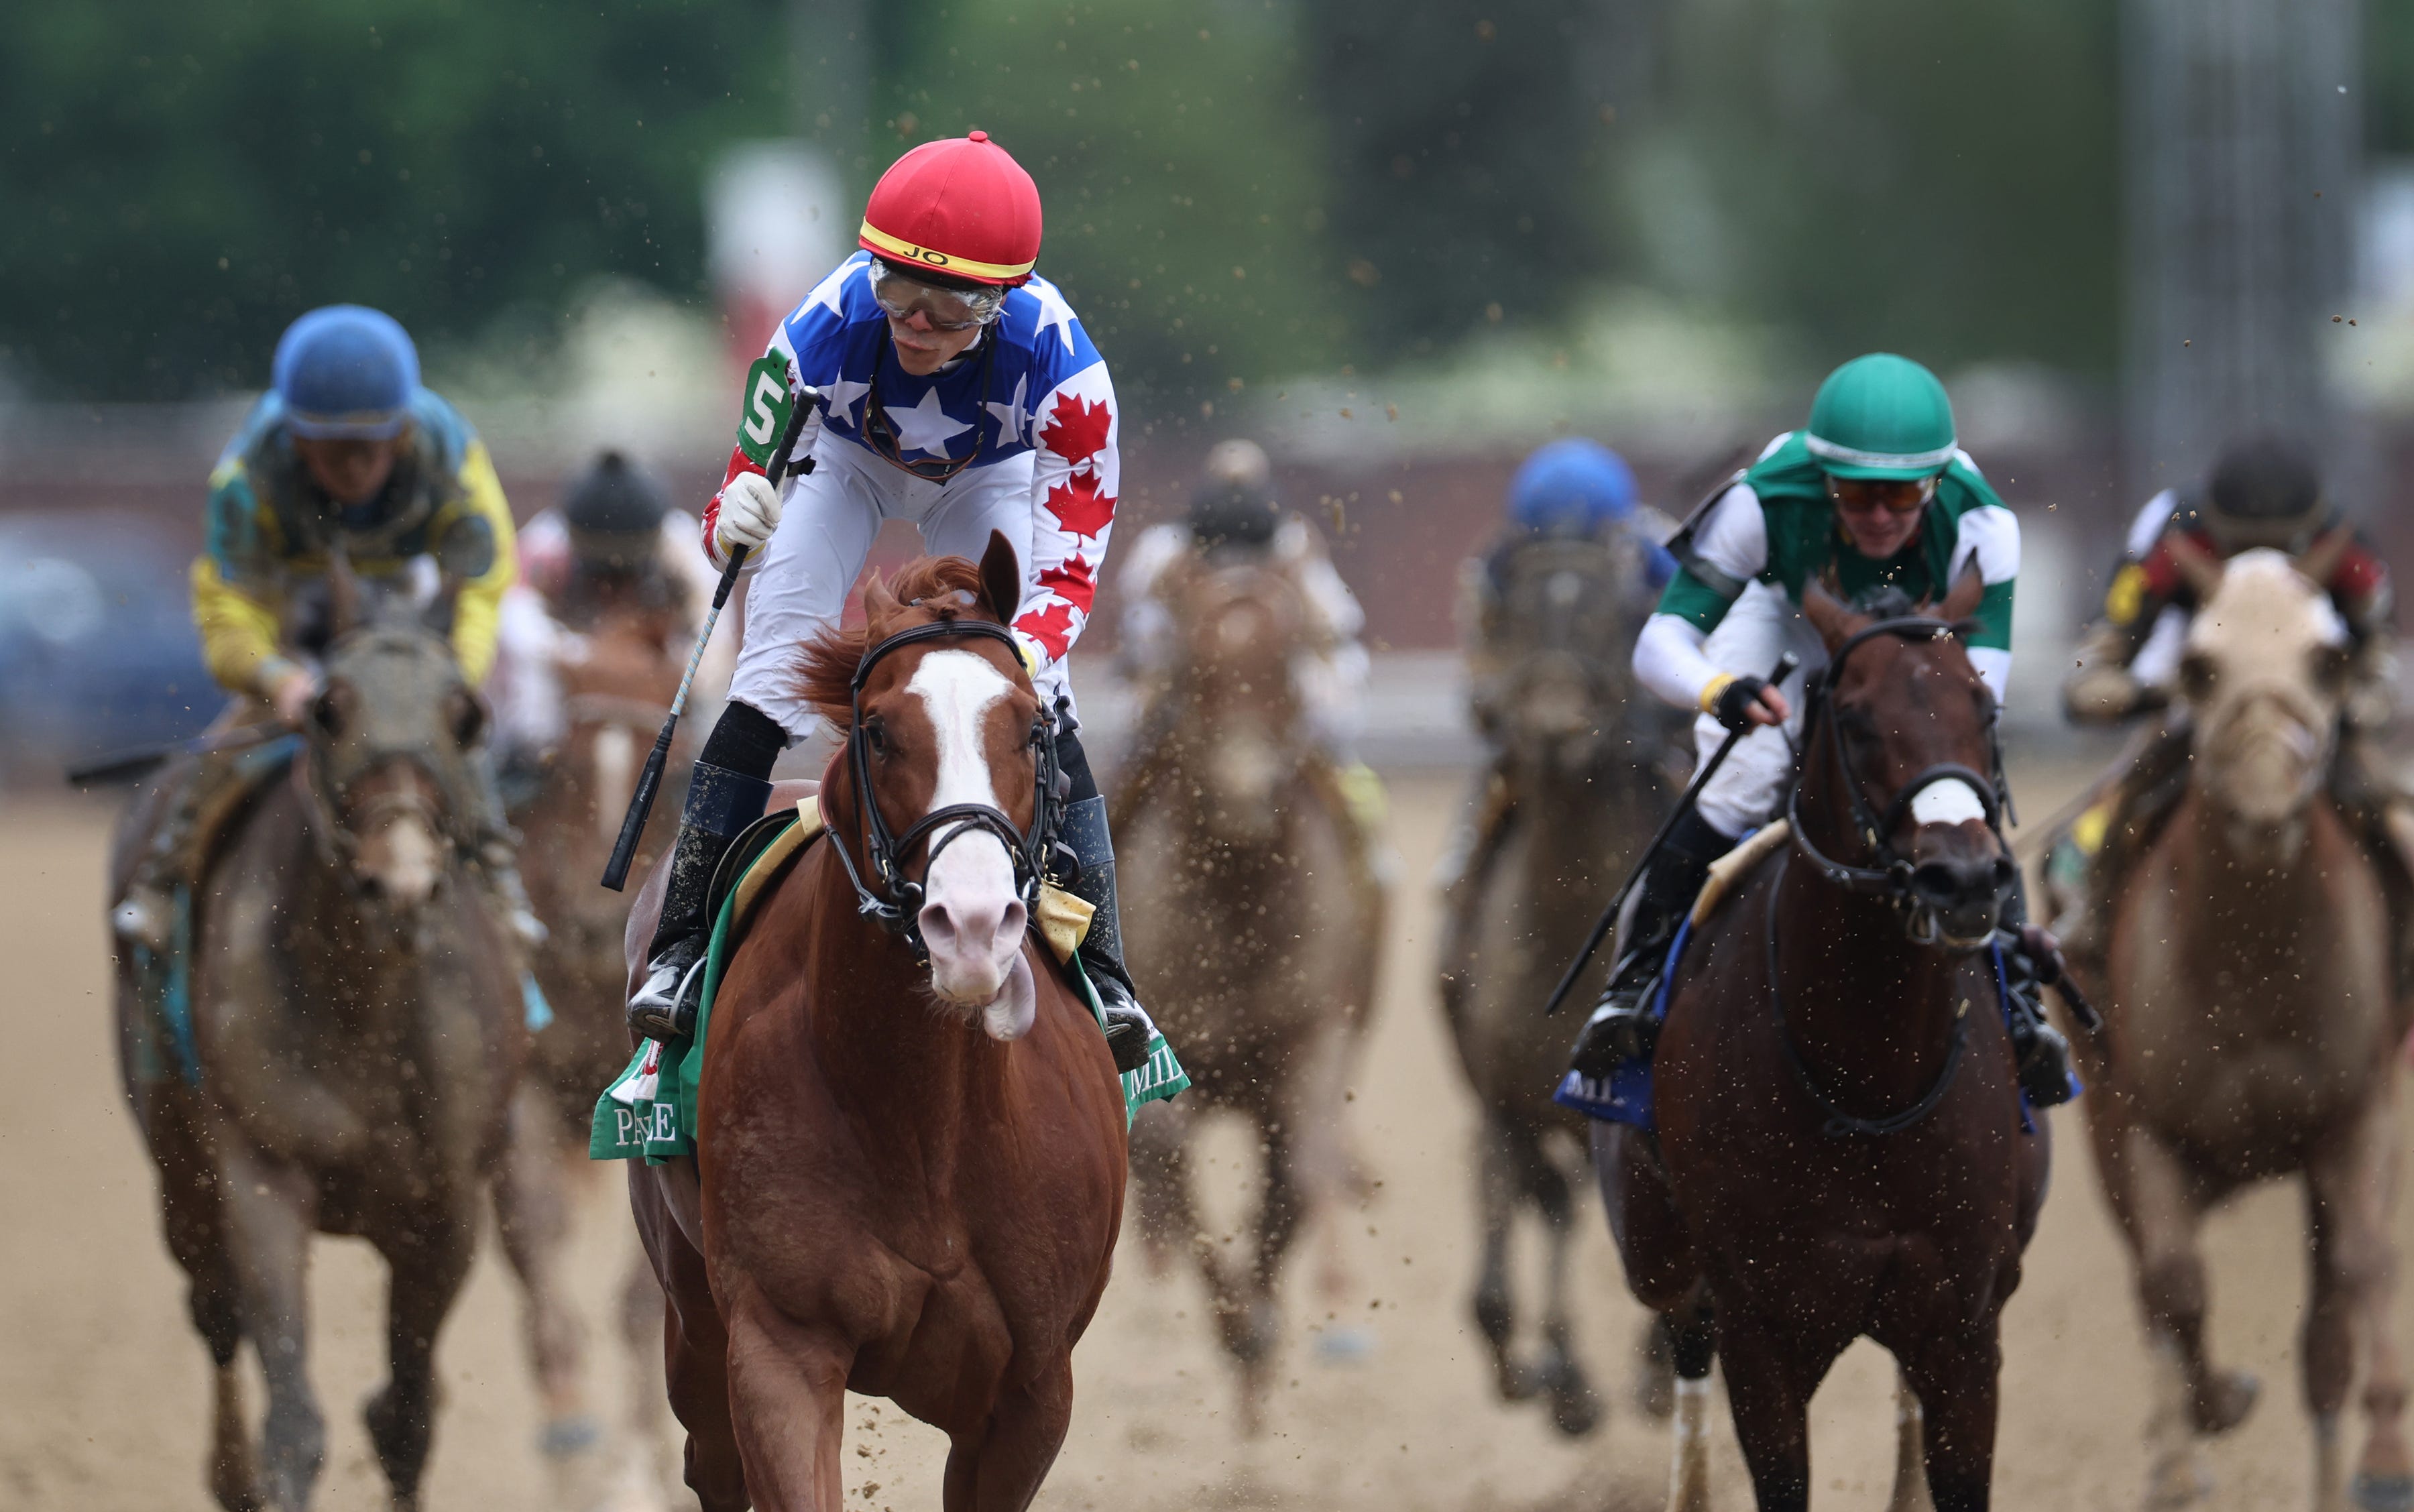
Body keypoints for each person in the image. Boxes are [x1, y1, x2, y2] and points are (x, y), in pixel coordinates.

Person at [626, 130, 1157, 1073]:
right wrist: (735, 514)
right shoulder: (822, 326)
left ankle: (1105, 969)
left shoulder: (1071, 377)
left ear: (999, 303)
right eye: (895, 294)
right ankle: (677, 949)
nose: (913, 325)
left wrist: (1022, 656)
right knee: (771, 672)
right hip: (845, 463)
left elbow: (1068, 575)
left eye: (946, 306)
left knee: (1046, 693)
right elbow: (738, 499)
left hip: (989, 477)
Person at [1564, 353, 2075, 1107]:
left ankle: (2022, 1003)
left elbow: (1981, 692)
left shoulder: (1984, 525)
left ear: (1935, 482)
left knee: (1958, 792)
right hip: (1783, 611)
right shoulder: (1761, 503)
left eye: (1901, 494)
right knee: (1736, 785)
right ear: (1822, 476)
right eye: (1855, 493)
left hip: (1921, 634)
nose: (1877, 515)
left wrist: (1928, 750)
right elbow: (1658, 645)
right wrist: (1719, 690)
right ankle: (1629, 991)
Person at [111, 304, 538, 947]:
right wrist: (278, 680)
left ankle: (501, 882)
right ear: (298, 440)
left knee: (452, 737)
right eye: (333, 452)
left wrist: (451, 678)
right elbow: (229, 613)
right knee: (234, 736)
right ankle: (164, 876)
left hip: (405, 603)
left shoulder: (451, 456)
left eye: (370, 449)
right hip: (295, 603)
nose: (354, 470)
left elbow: (483, 579)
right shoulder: (247, 480)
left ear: (401, 434)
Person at [2052, 437, 2407, 971]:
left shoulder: (2345, 544)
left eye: (2282, 552)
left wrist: (2344, 702)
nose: (2260, 568)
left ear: (2309, 536)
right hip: (2197, 712)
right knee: (2080, 849)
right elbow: (2090, 673)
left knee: (2395, 825)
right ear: (2214, 533)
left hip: (2312, 714)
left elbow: (2381, 666)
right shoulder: (2172, 539)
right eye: (2240, 551)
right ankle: (2090, 941)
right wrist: (2167, 692)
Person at [1438, 437, 1680, 905]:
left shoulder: (1659, 556)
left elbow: (1700, 641)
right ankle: (1461, 906)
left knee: (1698, 796)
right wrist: (1497, 702)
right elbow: (1480, 661)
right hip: (1532, 739)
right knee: (1480, 816)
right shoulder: (1495, 568)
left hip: (1638, 736)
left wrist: (1660, 712)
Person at [1112, 439, 1385, 852]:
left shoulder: (1294, 543)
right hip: (1189, 700)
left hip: (1283, 704)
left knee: (1343, 778)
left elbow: (1336, 625)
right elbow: (1142, 631)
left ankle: (1371, 861)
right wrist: (1157, 677)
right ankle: (1095, 863)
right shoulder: (1166, 550)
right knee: (1126, 776)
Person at [486, 450, 723, 796]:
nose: (613, 582)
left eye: (627, 569)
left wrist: (661, 664)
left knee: (709, 712)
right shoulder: (542, 543)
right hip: (571, 643)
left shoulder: (686, 546)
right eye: (602, 570)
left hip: (657, 655)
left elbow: (713, 642)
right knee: (531, 715)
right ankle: (522, 774)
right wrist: (586, 654)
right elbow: (518, 632)